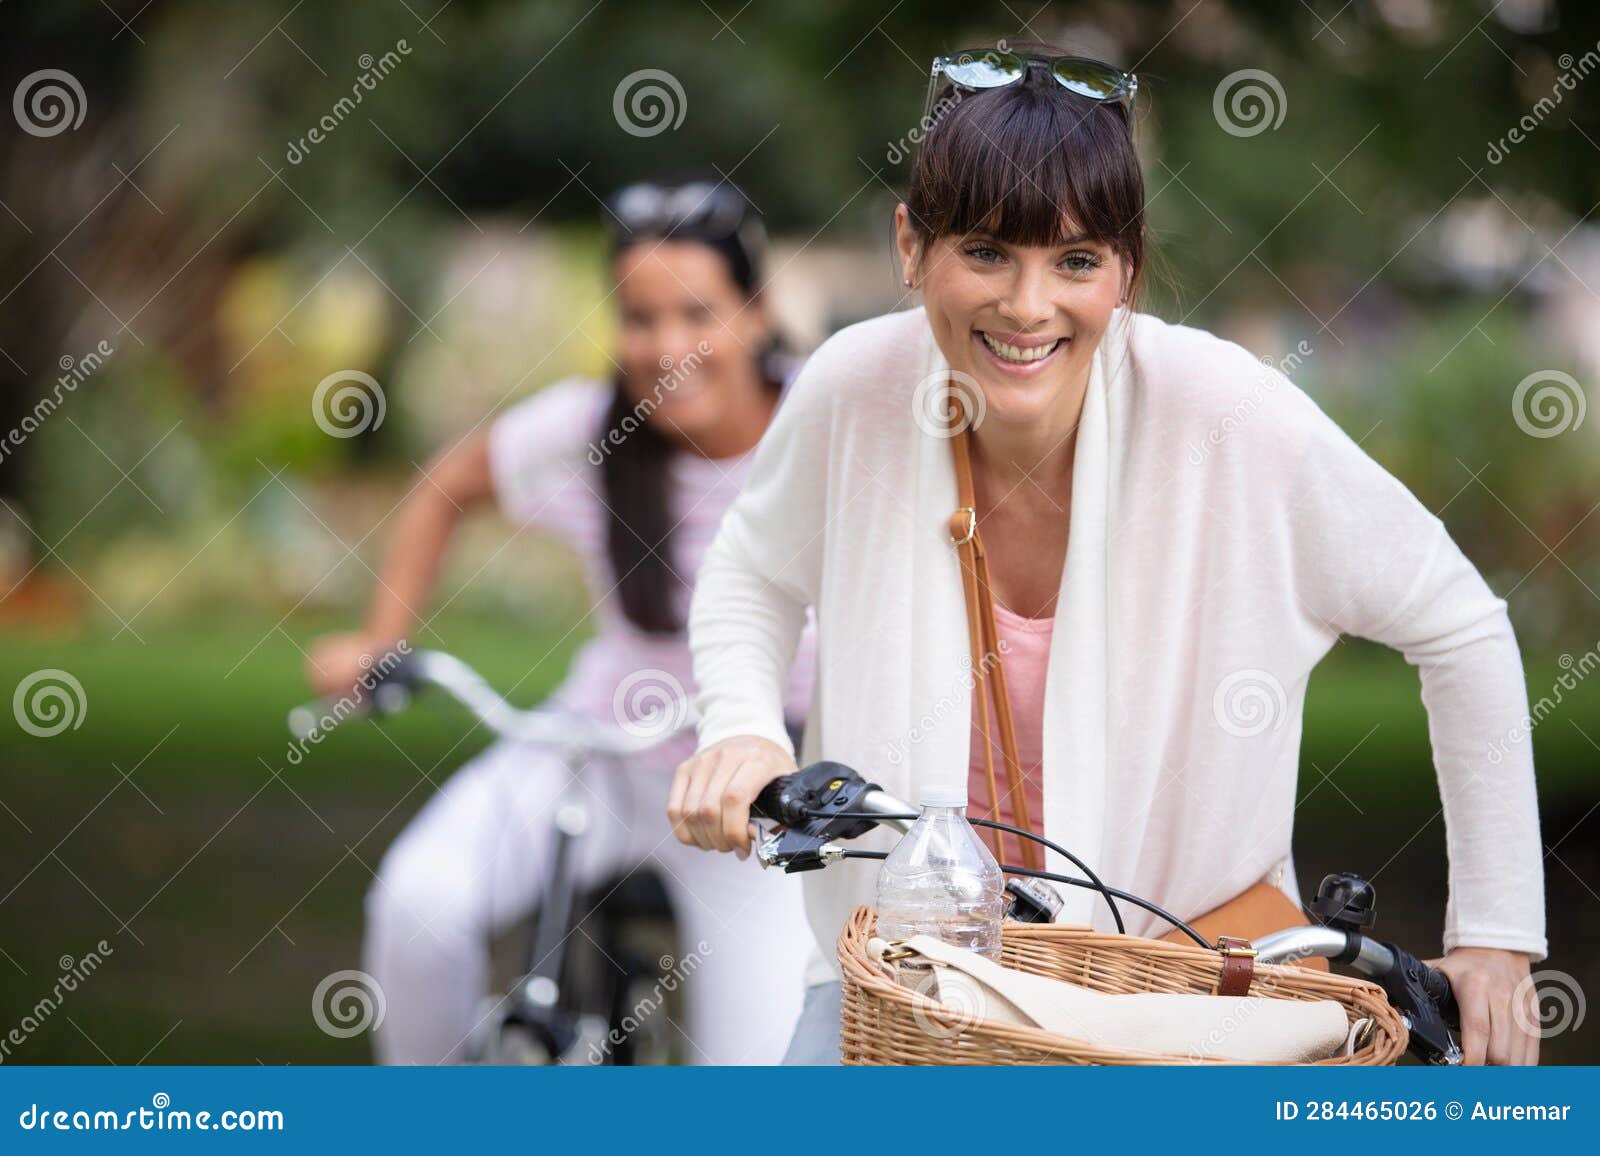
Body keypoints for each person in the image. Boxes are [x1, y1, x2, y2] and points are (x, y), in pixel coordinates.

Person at [669, 46, 1546, 1066]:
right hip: (904, 993)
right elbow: (751, 571)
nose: (1029, 305)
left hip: (1175, 1001)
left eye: (1075, 260)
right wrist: (741, 728)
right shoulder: (853, 387)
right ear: (913, 247)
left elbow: (1459, 623)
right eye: (987, 252)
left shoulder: (1226, 414)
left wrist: (1493, 936)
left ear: (1125, 269)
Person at [307, 179, 813, 1065]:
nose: (668, 347)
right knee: (418, 905)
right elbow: (444, 487)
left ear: (759, 314)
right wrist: (379, 642)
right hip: (600, 755)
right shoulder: (590, 429)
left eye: (698, 313)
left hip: (754, 797)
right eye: (639, 318)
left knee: (759, 1065)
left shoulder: (825, 421)